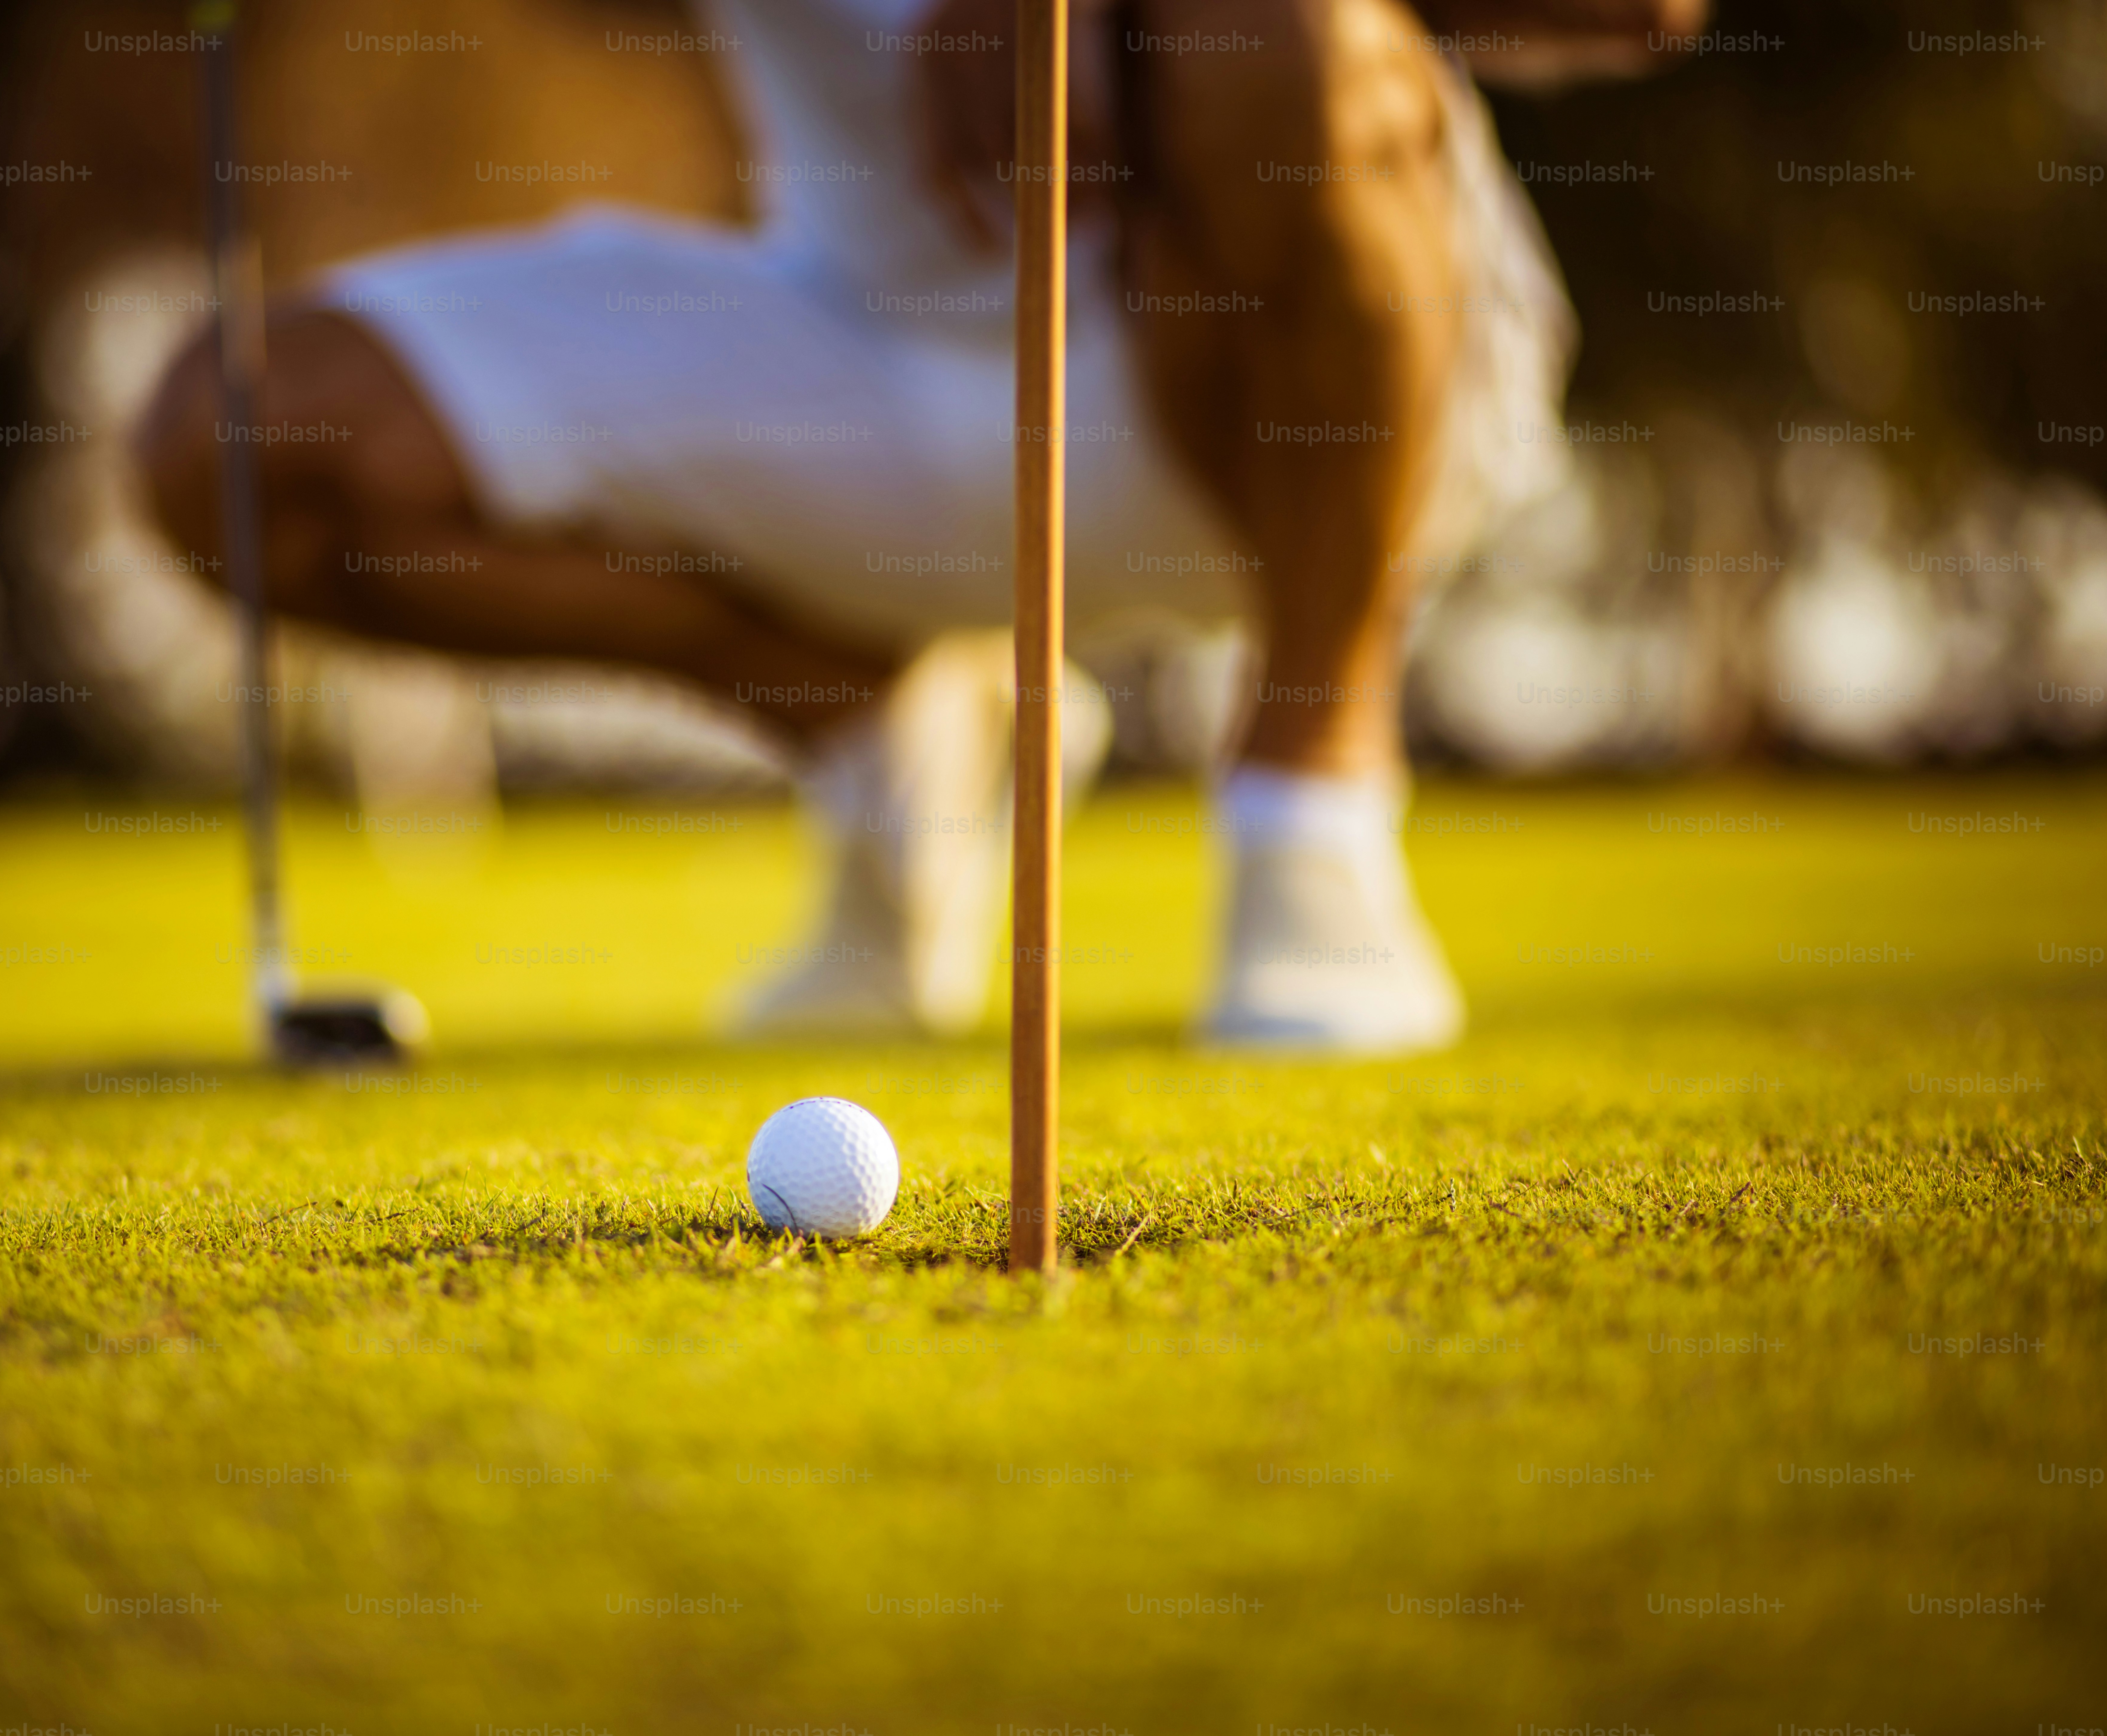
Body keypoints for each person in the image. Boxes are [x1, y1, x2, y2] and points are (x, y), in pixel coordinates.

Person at [135, 0, 1699, 1051]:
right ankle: (895, 735)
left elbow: (1645, 9)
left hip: (1282, 384)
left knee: (1270, 30)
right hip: (870, 373)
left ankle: (1314, 807)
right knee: (239, 446)